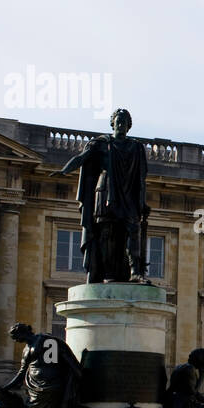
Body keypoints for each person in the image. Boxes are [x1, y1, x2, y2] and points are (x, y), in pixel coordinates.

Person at [58, 107, 150, 283]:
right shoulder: (101, 144)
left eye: (124, 122)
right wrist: (64, 170)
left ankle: (135, 272)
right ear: (112, 123)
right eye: (118, 121)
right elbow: (81, 158)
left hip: (128, 192)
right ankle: (107, 273)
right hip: (106, 191)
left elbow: (141, 178)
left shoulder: (136, 147)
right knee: (106, 233)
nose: (121, 125)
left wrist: (142, 202)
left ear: (129, 126)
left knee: (133, 230)